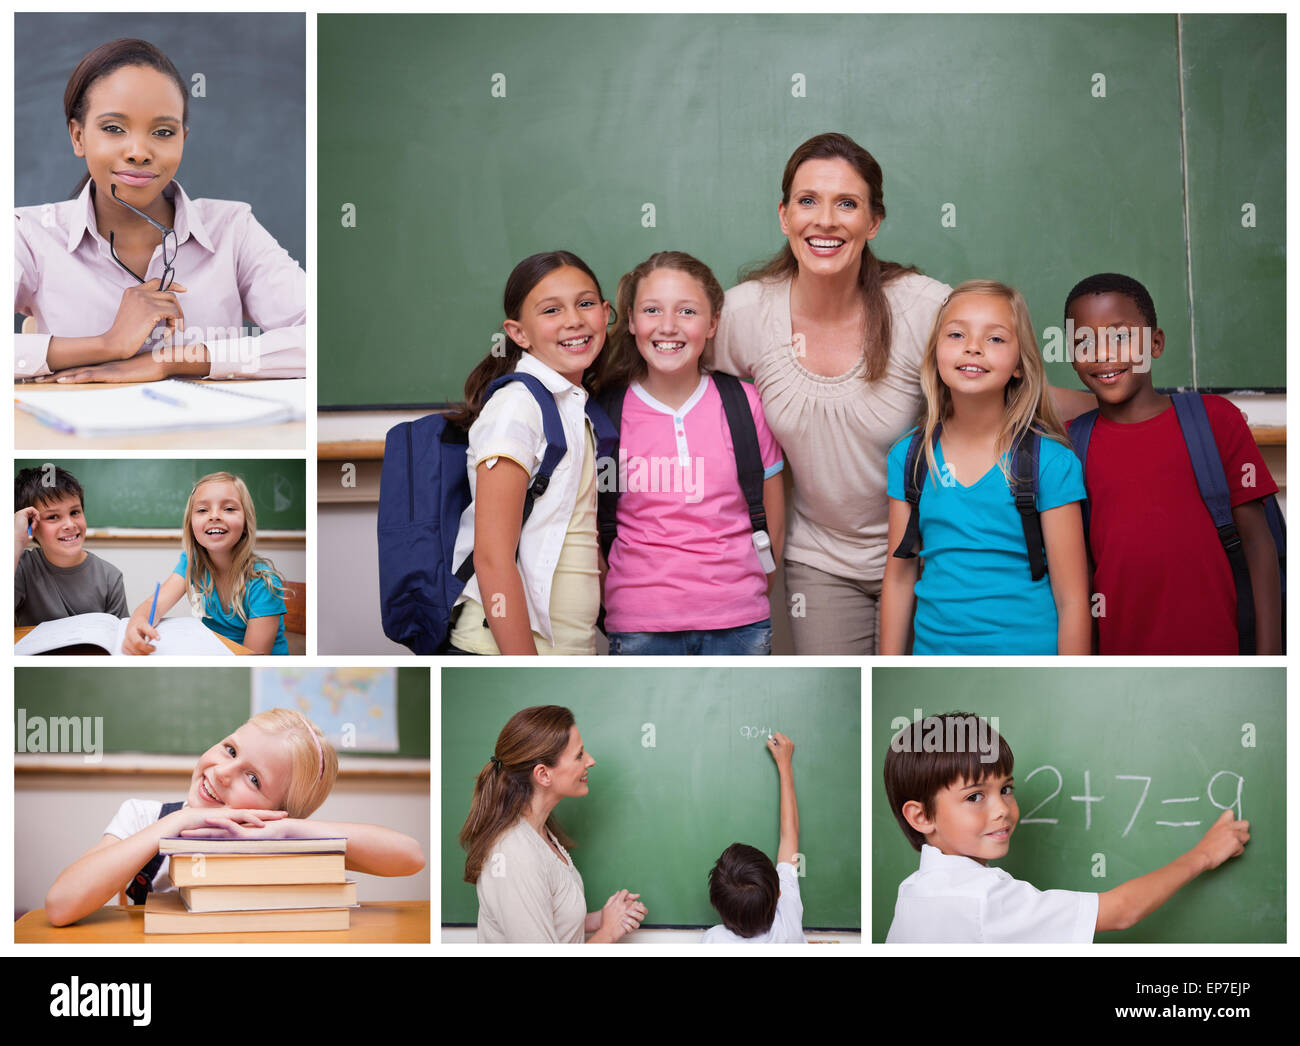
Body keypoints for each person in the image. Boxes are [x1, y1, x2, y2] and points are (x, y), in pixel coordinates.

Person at [711, 131, 1094, 653]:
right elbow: (673, 378)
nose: (825, 220)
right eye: (808, 201)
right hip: (821, 559)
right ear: (784, 216)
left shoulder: (922, 307)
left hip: (932, 553)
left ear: (873, 222)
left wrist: (1137, 405)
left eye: (847, 203)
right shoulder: (745, 314)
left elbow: (1008, 375)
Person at [14, 38, 305, 383]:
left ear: (183, 138)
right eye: (113, 128)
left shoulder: (232, 229)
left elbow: (319, 337)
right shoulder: (30, 233)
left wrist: (172, 360)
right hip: (80, 435)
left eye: (163, 132)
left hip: (212, 435)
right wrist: (107, 345)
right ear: (78, 137)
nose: (139, 151)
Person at [883, 712, 1250, 943]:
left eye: (1006, 789)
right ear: (921, 817)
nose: (1003, 810)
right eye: (975, 797)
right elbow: (1120, 912)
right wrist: (1203, 854)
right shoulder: (983, 897)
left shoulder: (914, 890)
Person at [44, 707, 424, 927]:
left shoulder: (277, 840)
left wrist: (287, 829)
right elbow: (60, 906)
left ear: (276, 811)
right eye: (230, 750)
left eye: (254, 778)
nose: (224, 772)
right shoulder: (143, 816)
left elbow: (410, 857)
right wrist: (171, 825)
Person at [1064, 273, 1281, 655]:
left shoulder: (1216, 421)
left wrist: (1270, 656)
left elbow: (1259, 546)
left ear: (1156, 343)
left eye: (1121, 337)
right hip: (1121, 663)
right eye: (1084, 341)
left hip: (1224, 654)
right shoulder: (1069, 445)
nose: (1103, 354)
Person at [881, 281, 1090, 654]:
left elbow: (1073, 599)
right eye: (957, 334)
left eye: (995, 339)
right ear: (935, 354)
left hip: (1029, 666)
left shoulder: (1051, 463)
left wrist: (1069, 687)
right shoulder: (909, 457)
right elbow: (899, 578)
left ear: (1020, 366)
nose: (973, 347)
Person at [594, 251, 784, 655]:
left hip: (740, 624)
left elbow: (775, 525)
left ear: (713, 322)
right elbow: (591, 531)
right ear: (630, 321)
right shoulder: (605, 414)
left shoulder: (746, 406)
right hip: (639, 625)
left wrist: (734, 597)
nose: (667, 327)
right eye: (651, 310)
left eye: (687, 312)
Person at [445, 251, 610, 655]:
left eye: (586, 303)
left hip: (567, 648)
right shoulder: (518, 407)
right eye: (552, 310)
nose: (574, 319)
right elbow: (492, 557)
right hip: (502, 650)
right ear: (518, 333)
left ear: (606, 313)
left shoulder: (573, 407)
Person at [460, 705, 647, 943]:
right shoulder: (514, 854)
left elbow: (550, 921)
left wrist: (603, 919)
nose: (590, 761)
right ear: (543, 775)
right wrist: (607, 933)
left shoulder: (541, 835)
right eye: (579, 755)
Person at [122, 471, 289, 655]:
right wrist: (137, 623)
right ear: (191, 525)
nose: (214, 516)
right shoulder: (193, 561)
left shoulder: (264, 584)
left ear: (246, 522)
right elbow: (154, 604)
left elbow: (250, 660)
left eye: (229, 509)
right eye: (202, 510)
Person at [703, 731, 805, 943]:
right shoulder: (788, 926)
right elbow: (790, 836)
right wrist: (785, 765)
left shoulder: (713, 941)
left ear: (715, 905)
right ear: (779, 894)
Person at [14, 465, 127, 626]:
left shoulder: (110, 577)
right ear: (30, 524)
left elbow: (118, 637)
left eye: (75, 512)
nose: (69, 524)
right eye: (53, 516)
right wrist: (15, 540)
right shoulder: (20, 568)